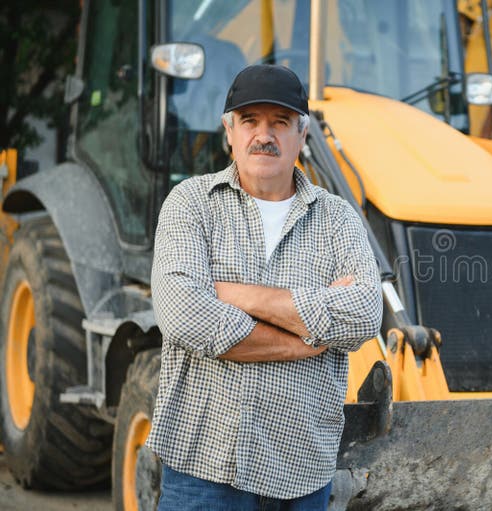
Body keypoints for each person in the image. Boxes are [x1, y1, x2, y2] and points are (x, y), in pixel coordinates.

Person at [148, 64, 383, 510]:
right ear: (229, 131)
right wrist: (307, 339)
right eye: (250, 121)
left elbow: (364, 314)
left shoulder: (337, 219)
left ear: (302, 134)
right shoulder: (191, 204)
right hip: (206, 466)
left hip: (302, 472)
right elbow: (183, 316)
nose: (264, 135)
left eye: (280, 122)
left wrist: (230, 293)